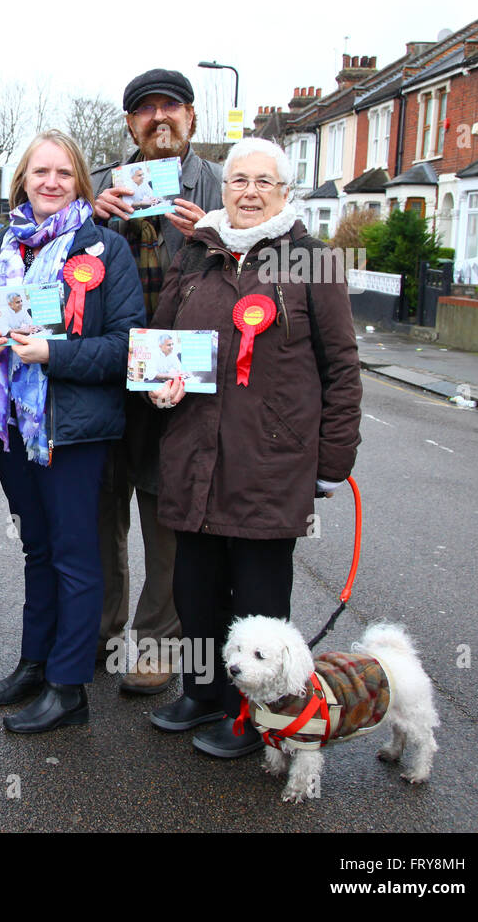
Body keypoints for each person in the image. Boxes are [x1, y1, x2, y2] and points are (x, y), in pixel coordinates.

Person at [146, 137, 361, 757]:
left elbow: (342, 367)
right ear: (224, 188)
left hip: (271, 460)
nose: (249, 192)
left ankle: (255, 716)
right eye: (239, 180)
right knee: (195, 586)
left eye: (264, 182)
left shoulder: (310, 261)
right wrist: (157, 388)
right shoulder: (197, 256)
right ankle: (202, 690)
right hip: (193, 453)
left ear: (285, 192)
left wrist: (331, 460)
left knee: (259, 596)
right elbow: (158, 344)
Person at [0, 130, 144, 733]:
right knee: (36, 548)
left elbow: (125, 348)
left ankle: (69, 687)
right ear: (22, 179)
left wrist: (52, 354)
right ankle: (34, 663)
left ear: (80, 183)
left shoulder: (105, 250)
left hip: (73, 433)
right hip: (14, 425)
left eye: (63, 174)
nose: (50, 182)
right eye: (40, 171)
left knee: (74, 555)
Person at [90, 68, 223, 694]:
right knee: (100, 510)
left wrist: (217, 237)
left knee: (168, 516)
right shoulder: (97, 188)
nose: (159, 118)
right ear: (130, 125)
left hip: (181, 381)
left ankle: (155, 644)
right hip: (106, 377)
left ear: (192, 118)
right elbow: (43, 265)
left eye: (172, 107)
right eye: (146, 111)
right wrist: (90, 224)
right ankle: (100, 629)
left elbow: (274, 268)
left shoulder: (225, 187)